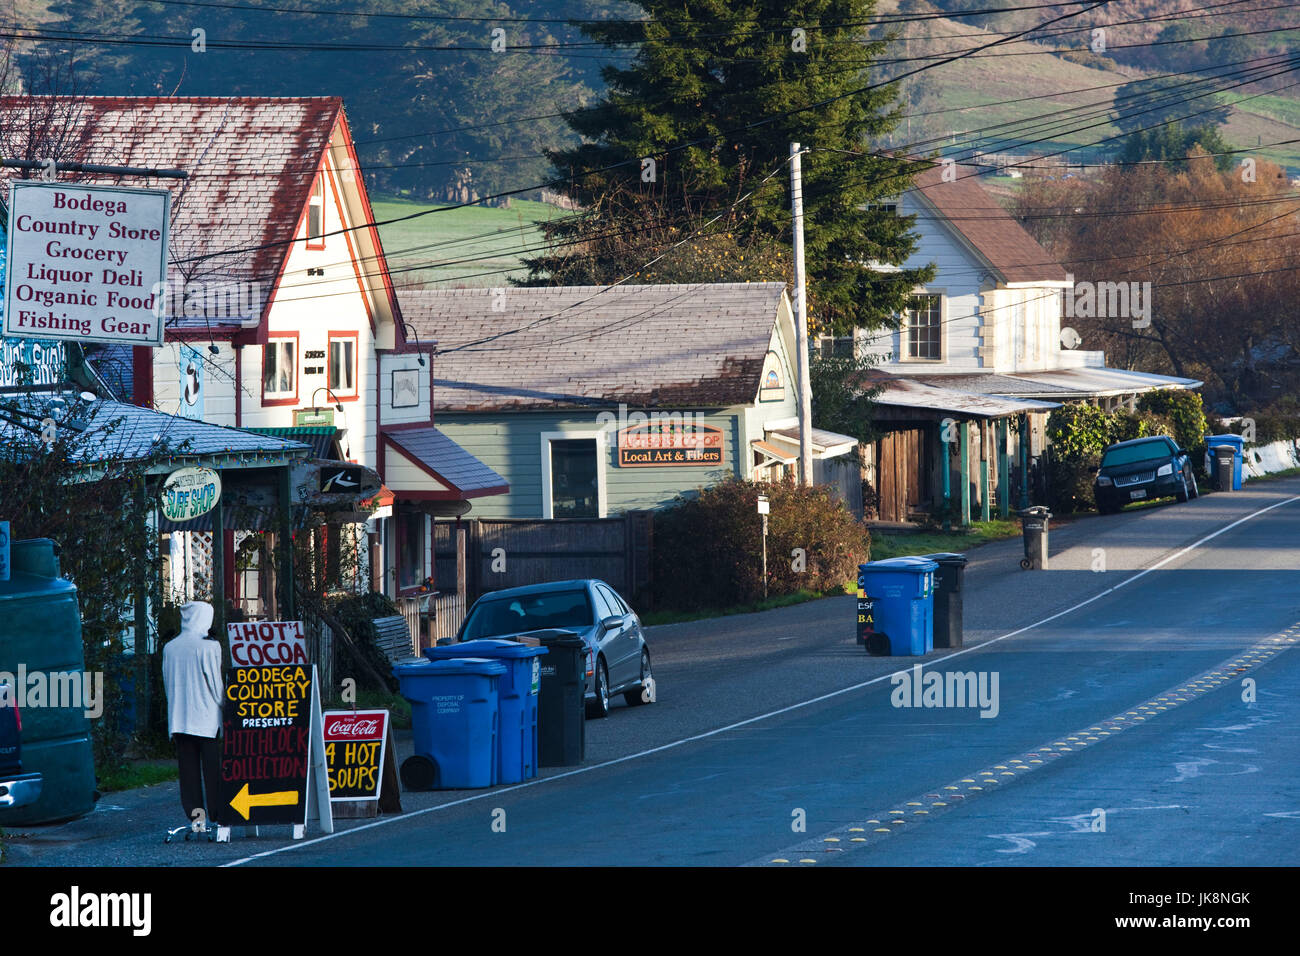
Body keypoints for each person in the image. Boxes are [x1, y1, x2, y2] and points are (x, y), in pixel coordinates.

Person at [161, 601, 224, 829]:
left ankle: (197, 820)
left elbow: (167, 683)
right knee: (212, 771)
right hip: (206, 719)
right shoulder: (209, 647)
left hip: (179, 719)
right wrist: (225, 707)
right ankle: (218, 815)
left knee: (188, 775)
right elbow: (216, 687)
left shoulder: (170, 648)